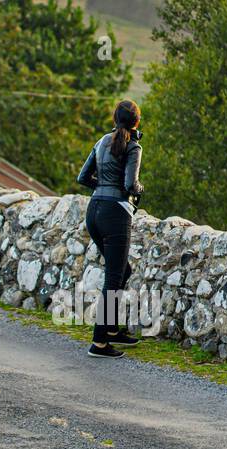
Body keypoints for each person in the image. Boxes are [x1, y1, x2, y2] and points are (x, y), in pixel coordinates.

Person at [77, 99, 145, 359]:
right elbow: (131, 184)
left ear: (114, 119)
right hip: (116, 213)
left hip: (93, 211)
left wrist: (104, 187)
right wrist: (141, 190)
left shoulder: (101, 141)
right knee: (114, 278)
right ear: (137, 121)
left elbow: (83, 178)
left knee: (122, 271)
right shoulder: (133, 146)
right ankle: (99, 343)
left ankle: (111, 330)